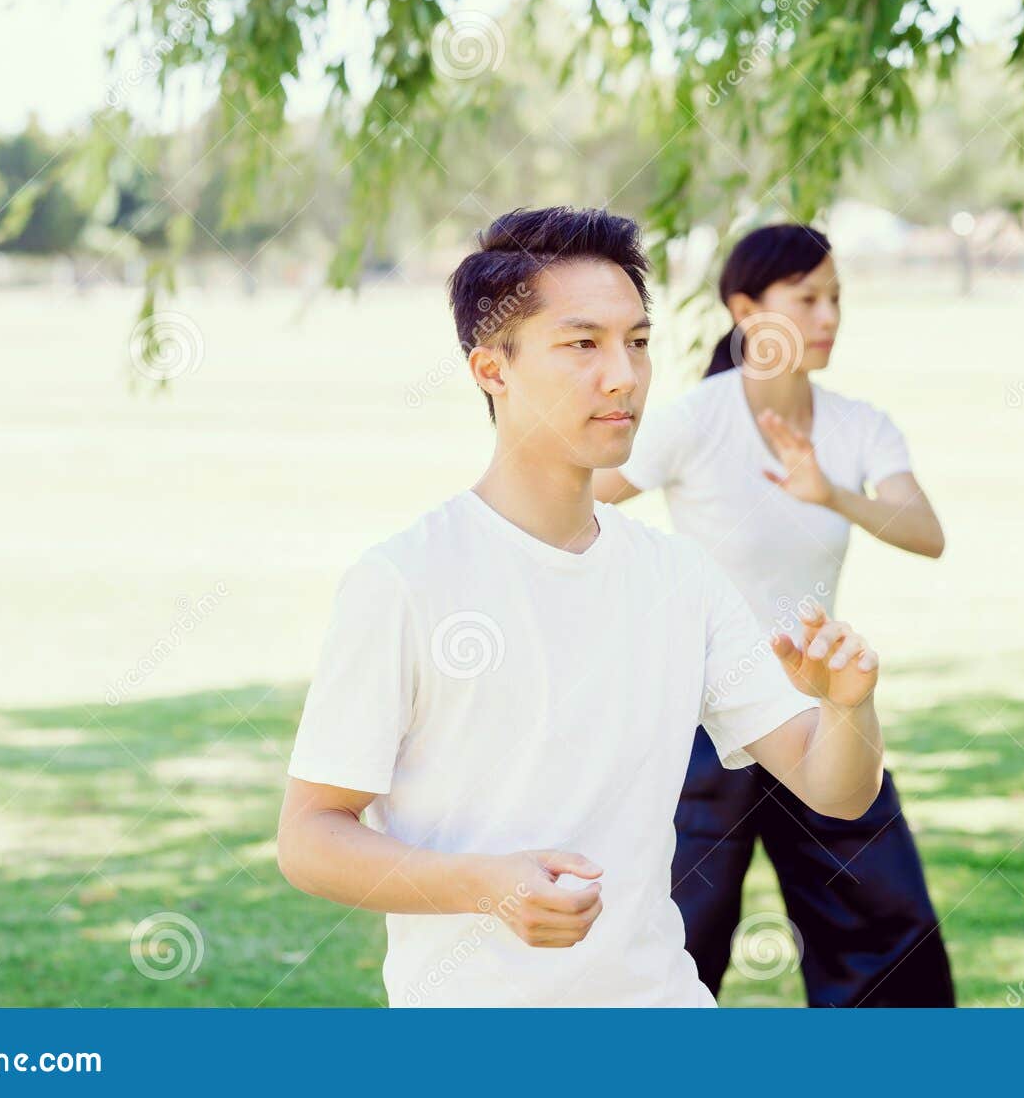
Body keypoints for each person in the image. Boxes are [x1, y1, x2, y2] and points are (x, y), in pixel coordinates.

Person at [276, 207, 890, 1007]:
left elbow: (834, 788)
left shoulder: (681, 577)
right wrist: (483, 885)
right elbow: (310, 836)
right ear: (490, 368)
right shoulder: (404, 579)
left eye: (637, 342)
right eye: (583, 344)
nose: (624, 376)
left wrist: (849, 708)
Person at [593, 223, 955, 1007]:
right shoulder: (695, 419)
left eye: (836, 299)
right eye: (808, 298)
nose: (828, 317)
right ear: (746, 309)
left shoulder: (858, 426)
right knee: (680, 933)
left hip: (813, 710)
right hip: (700, 720)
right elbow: (577, 502)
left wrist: (830, 491)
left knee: (889, 931)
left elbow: (926, 533)